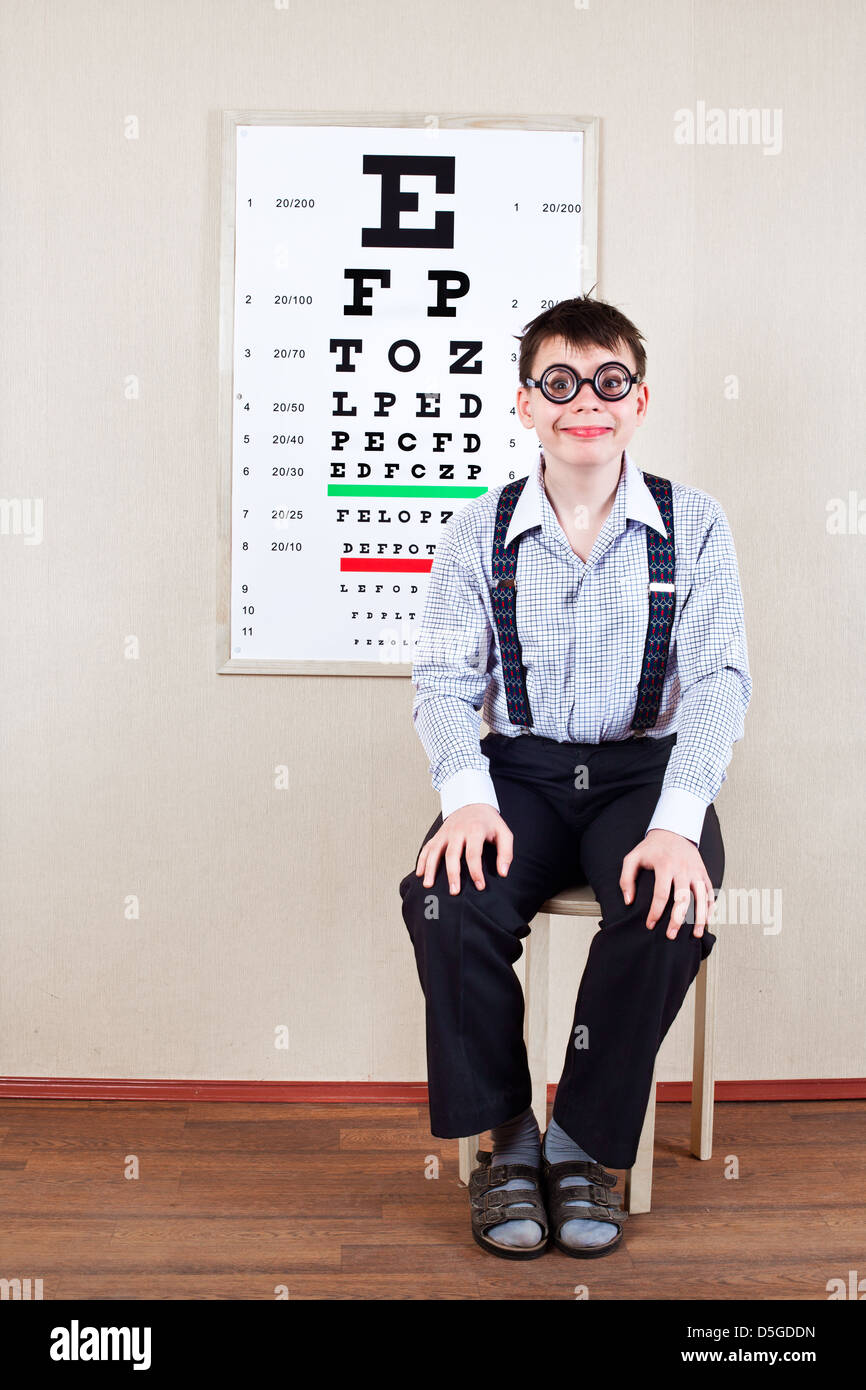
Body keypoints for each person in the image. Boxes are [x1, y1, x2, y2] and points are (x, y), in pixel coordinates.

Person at [398, 294, 751, 1260]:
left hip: (648, 774)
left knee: (668, 903)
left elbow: (721, 682)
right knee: (443, 898)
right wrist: (466, 801)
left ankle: (585, 1145)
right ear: (525, 404)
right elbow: (440, 681)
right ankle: (507, 1138)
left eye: (608, 381)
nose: (584, 401)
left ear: (640, 400)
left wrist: (680, 821)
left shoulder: (696, 524)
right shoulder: (478, 531)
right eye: (559, 382)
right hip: (522, 771)